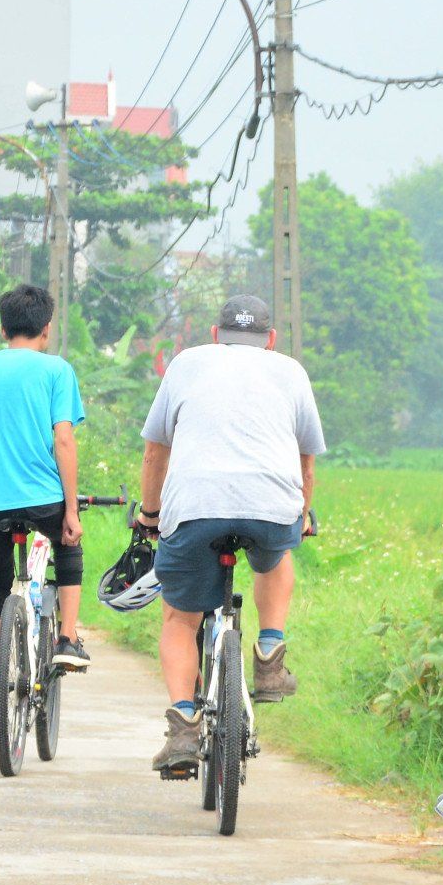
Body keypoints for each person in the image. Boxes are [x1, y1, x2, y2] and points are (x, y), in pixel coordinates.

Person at [136, 294, 325, 776]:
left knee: (180, 618)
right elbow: (306, 461)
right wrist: (300, 515)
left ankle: (182, 727)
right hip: (271, 506)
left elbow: (156, 452)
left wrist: (151, 516)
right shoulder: (291, 371)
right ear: (271, 339)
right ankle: (269, 655)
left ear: (216, 335)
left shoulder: (186, 364)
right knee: (278, 555)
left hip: (195, 507)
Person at [0, 283, 89, 713]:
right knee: (68, 548)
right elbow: (63, 440)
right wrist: (70, 509)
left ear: (2, 328)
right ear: (46, 329)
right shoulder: (56, 370)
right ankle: (67, 638)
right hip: (41, 496)